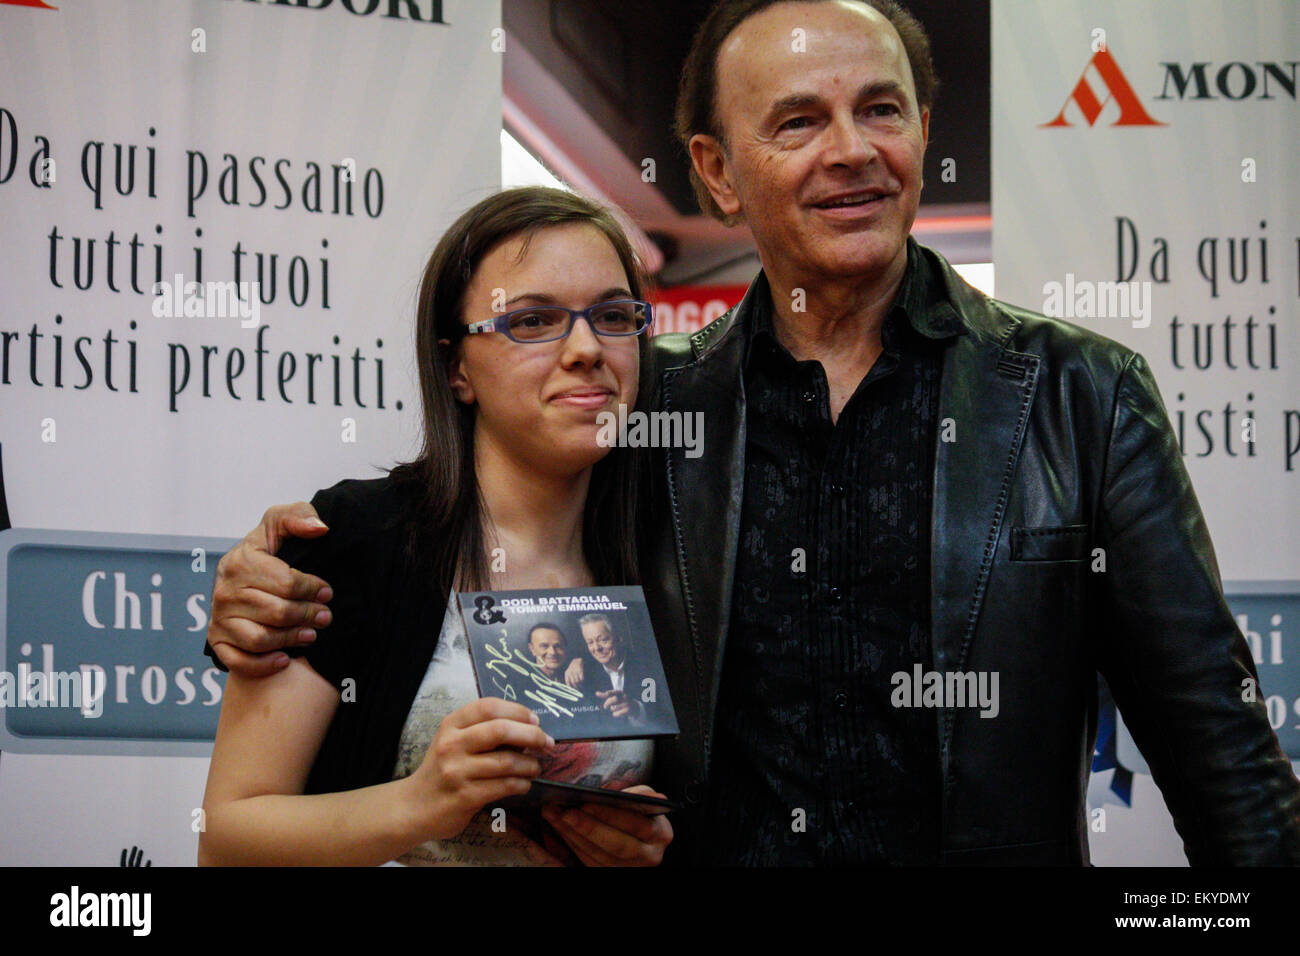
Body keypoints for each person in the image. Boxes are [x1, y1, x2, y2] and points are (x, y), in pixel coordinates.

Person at [205, 0, 1300, 866]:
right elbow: (453, 525)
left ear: (923, 130)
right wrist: (271, 576)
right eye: (796, 121)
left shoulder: (1076, 395)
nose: (851, 150)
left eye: (882, 108)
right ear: (718, 171)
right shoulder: (650, 413)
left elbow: (1221, 754)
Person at [198, 187, 672, 866]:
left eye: (613, 315)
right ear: (457, 369)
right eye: (533, 321)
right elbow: (226, 839)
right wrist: (417, 804)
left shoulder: (667, 552)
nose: (586, 347)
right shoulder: (356, 537)